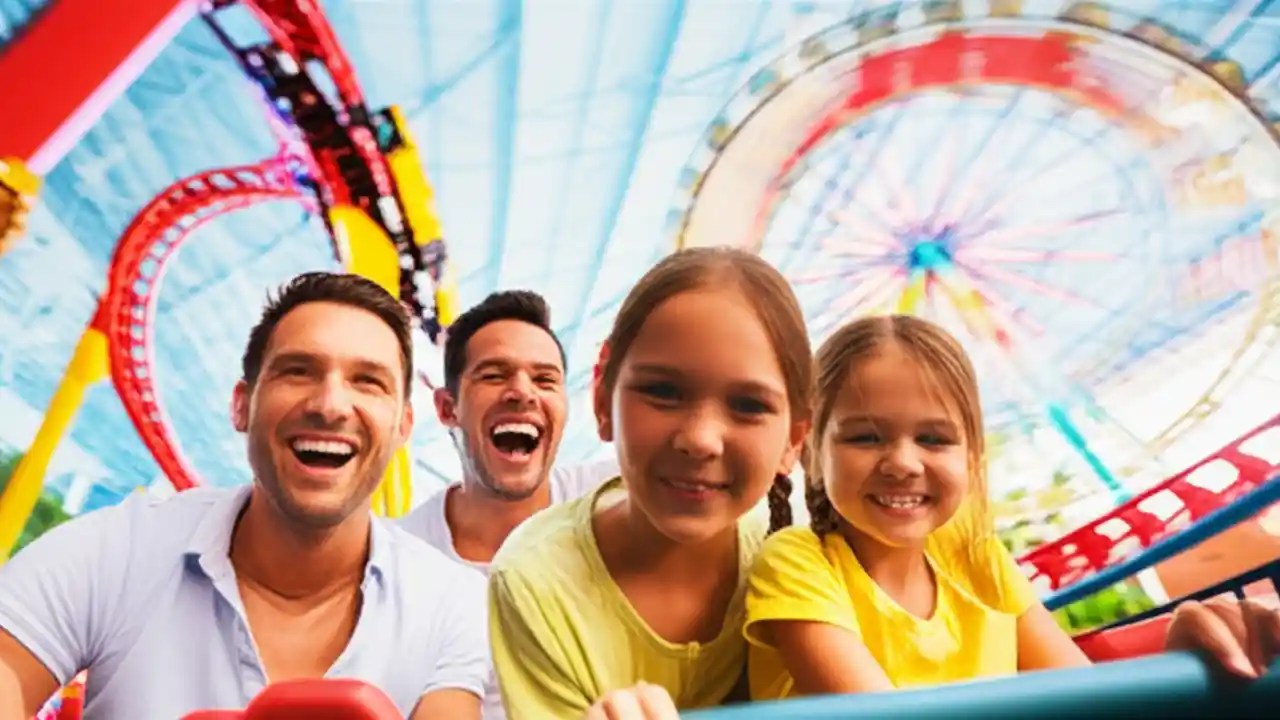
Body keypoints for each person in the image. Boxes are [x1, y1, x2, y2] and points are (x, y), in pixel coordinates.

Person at [0, 272, 489, 720]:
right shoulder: (115, 552)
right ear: (242, 406)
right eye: (298, 371)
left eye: (368, 381)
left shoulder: (448, 604)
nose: (330, 405)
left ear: (403, 425)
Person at [745, 314, 1280, 698]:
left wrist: (1179, 653)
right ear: (812, 452)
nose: (903, 462)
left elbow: (1083, 696)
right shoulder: (799, 563)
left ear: (973, 456)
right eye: (865, 438)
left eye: (934, 439)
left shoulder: (974, 556)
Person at [486, 247, 814, 719]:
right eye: (663, 392)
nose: (700, 440)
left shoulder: (809, 551)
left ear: (794, 439)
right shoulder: (535, 582)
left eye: (748, 405)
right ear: (602, 396)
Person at [398, 289, 617, 718]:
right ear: (447, 409)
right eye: (494, 376)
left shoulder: (613, 504)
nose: (522, 392)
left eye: (545, 380)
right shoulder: (402, 559)